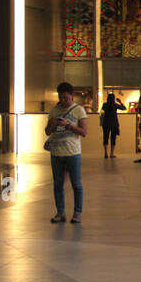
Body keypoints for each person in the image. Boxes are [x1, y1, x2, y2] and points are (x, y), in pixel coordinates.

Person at [45, 81, 87, 223]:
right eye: (60, 97)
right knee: (58, 184)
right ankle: (60, 212)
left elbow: (84, 132)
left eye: (65, 98)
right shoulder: (54, 110)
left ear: (71, 96)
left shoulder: (79, 110)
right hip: (56, 153)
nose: (62, 100)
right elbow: (47, 131)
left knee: (76, 183)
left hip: (73, 153)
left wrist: (68, 125)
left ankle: (77, 213)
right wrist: (52, 123)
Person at [99, 92, 121, 158]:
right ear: (114, 99)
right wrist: (120, 102)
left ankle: (106, 153)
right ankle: (111, 154)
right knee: (113, 138)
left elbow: (101, 114)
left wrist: (101, 123)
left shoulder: (104, 105)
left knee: (105, 138)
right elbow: (124, 108)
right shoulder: (115, 105)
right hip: (114, 123)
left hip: (106, 123)